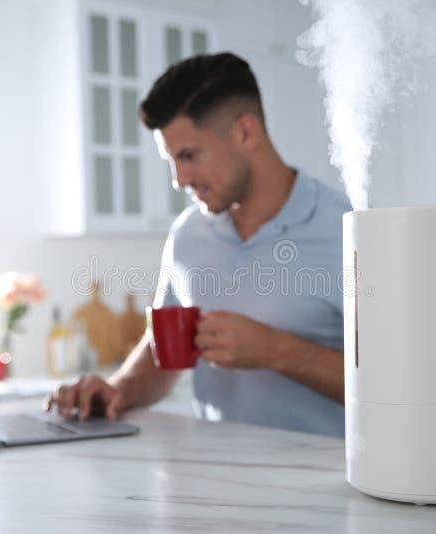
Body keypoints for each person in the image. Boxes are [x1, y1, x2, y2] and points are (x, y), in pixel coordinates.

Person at [46, 52, 350, 437]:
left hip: (323, 487)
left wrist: (276, 350)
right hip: (211, 481)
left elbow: (391, 383)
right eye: (172, 160)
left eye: (189, 155)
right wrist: (116, 390)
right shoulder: (188, 232)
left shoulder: (345, 229)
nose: (179, 179)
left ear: (245, 132)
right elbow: (162, 352)